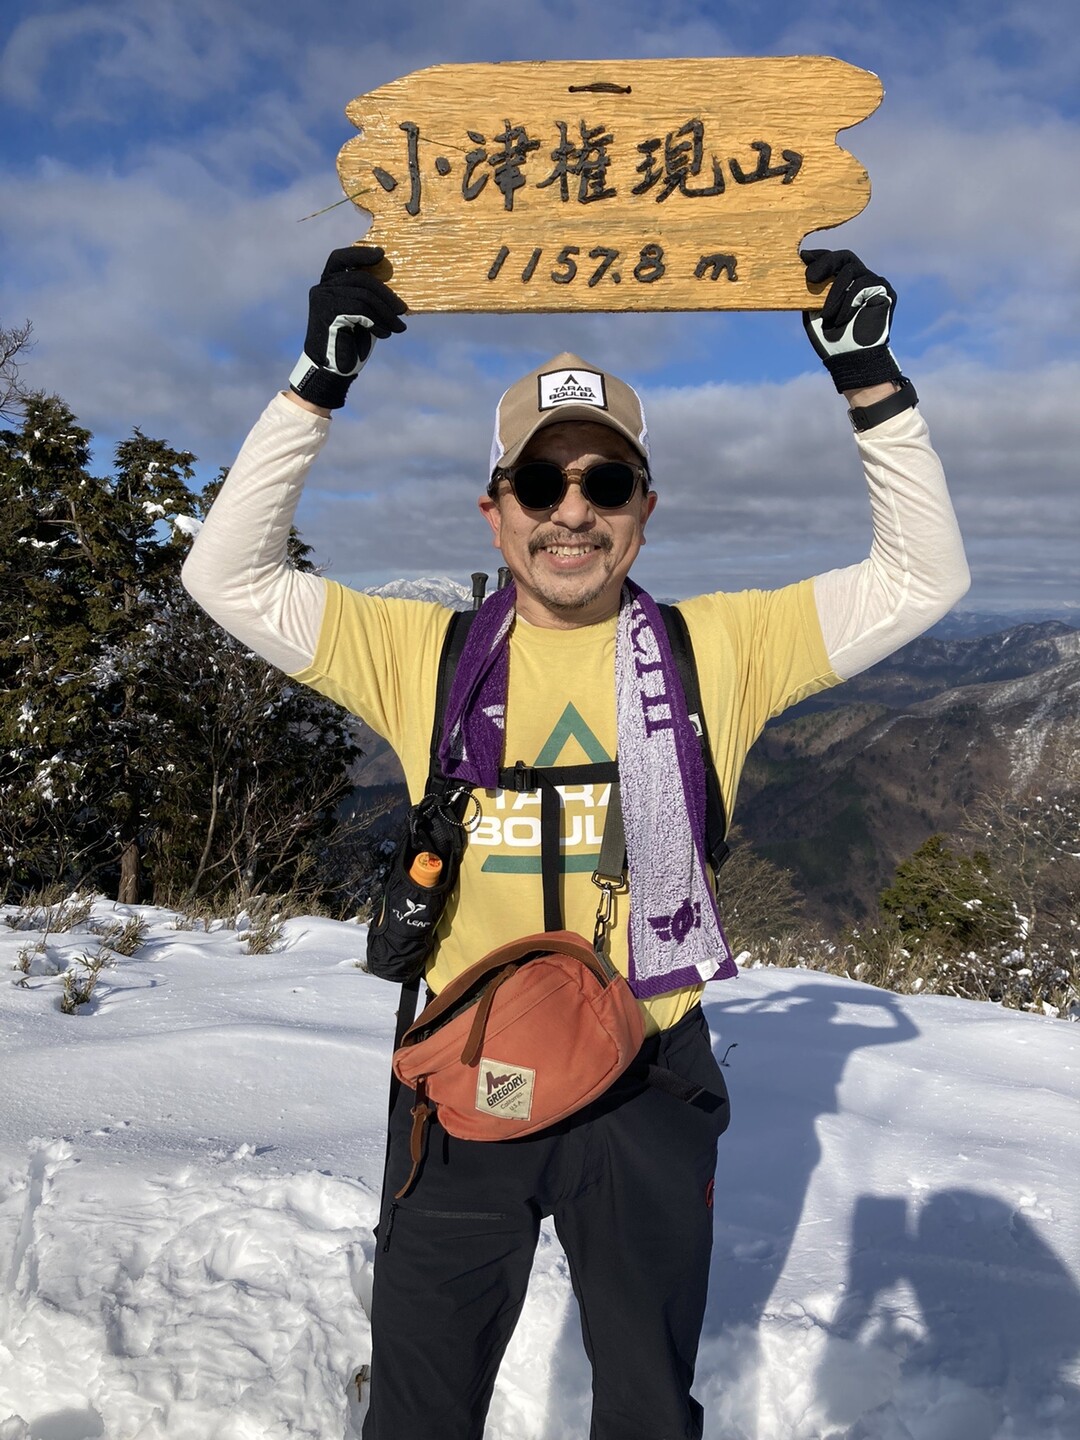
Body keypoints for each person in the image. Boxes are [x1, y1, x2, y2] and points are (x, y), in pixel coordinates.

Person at [181, 243, 969, 1440]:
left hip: (644, 1077)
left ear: (643, 510)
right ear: (494, 509)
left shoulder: (722, 650)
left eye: (606, 483)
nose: (572, 513)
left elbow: (924, 577)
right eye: (540, 484)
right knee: (420, 1410)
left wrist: (869, 379)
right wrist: (314, 383)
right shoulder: (423, 656)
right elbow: (226, 574)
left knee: (648, 1411)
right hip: (460, 1083)